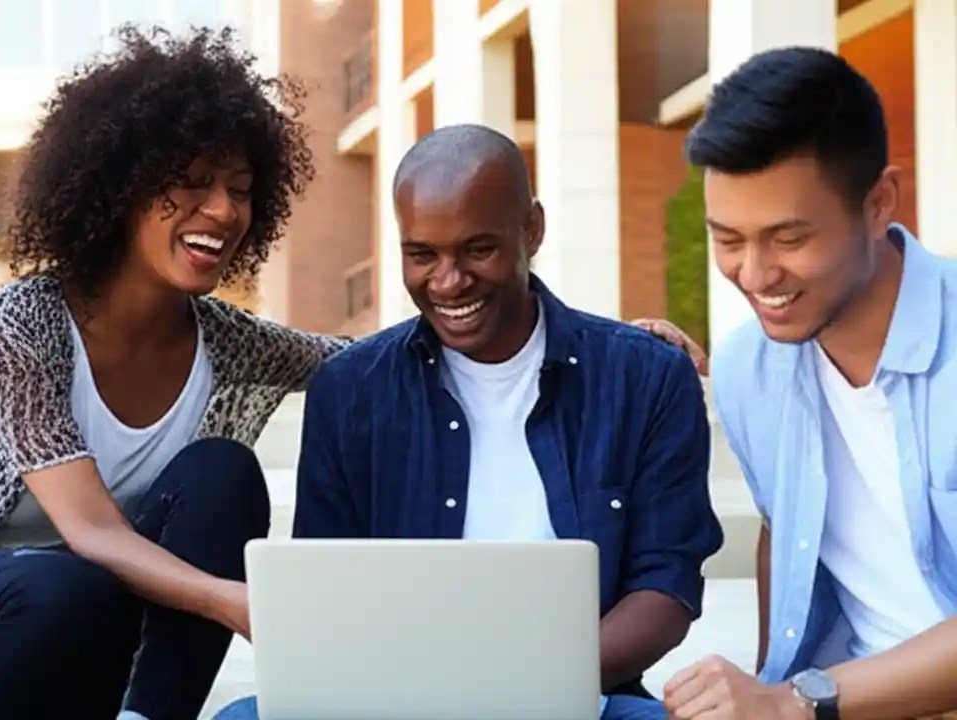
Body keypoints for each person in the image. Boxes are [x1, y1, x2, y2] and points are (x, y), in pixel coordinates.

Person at [0, 25, 348, 720]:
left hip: (93, 627)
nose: (222, 210)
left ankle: (147, 714)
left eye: (240, 189)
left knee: (223, 473)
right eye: (191, 183)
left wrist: (467, 308)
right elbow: (90, 532)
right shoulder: (21, 325)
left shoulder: (233, 347)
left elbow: (360, 362)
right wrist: (238, 604)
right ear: (119, 187)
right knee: (67, 581)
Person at [215, 124, 724, 720]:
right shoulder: (350, 390)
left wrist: (525, 685)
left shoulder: (646, 378)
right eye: (422, 254)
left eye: (478, 249)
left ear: (531, 230)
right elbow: (329, 591)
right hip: (389, 703)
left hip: (577, 698)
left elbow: (666, 587)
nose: (449, 282)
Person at [662, 47, 957, 720]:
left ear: (879, 202)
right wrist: (767, 693)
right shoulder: (747, 370)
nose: (755, 274)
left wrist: (793, 703)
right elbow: (784, 532)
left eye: (788, 238)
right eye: (728, 239)